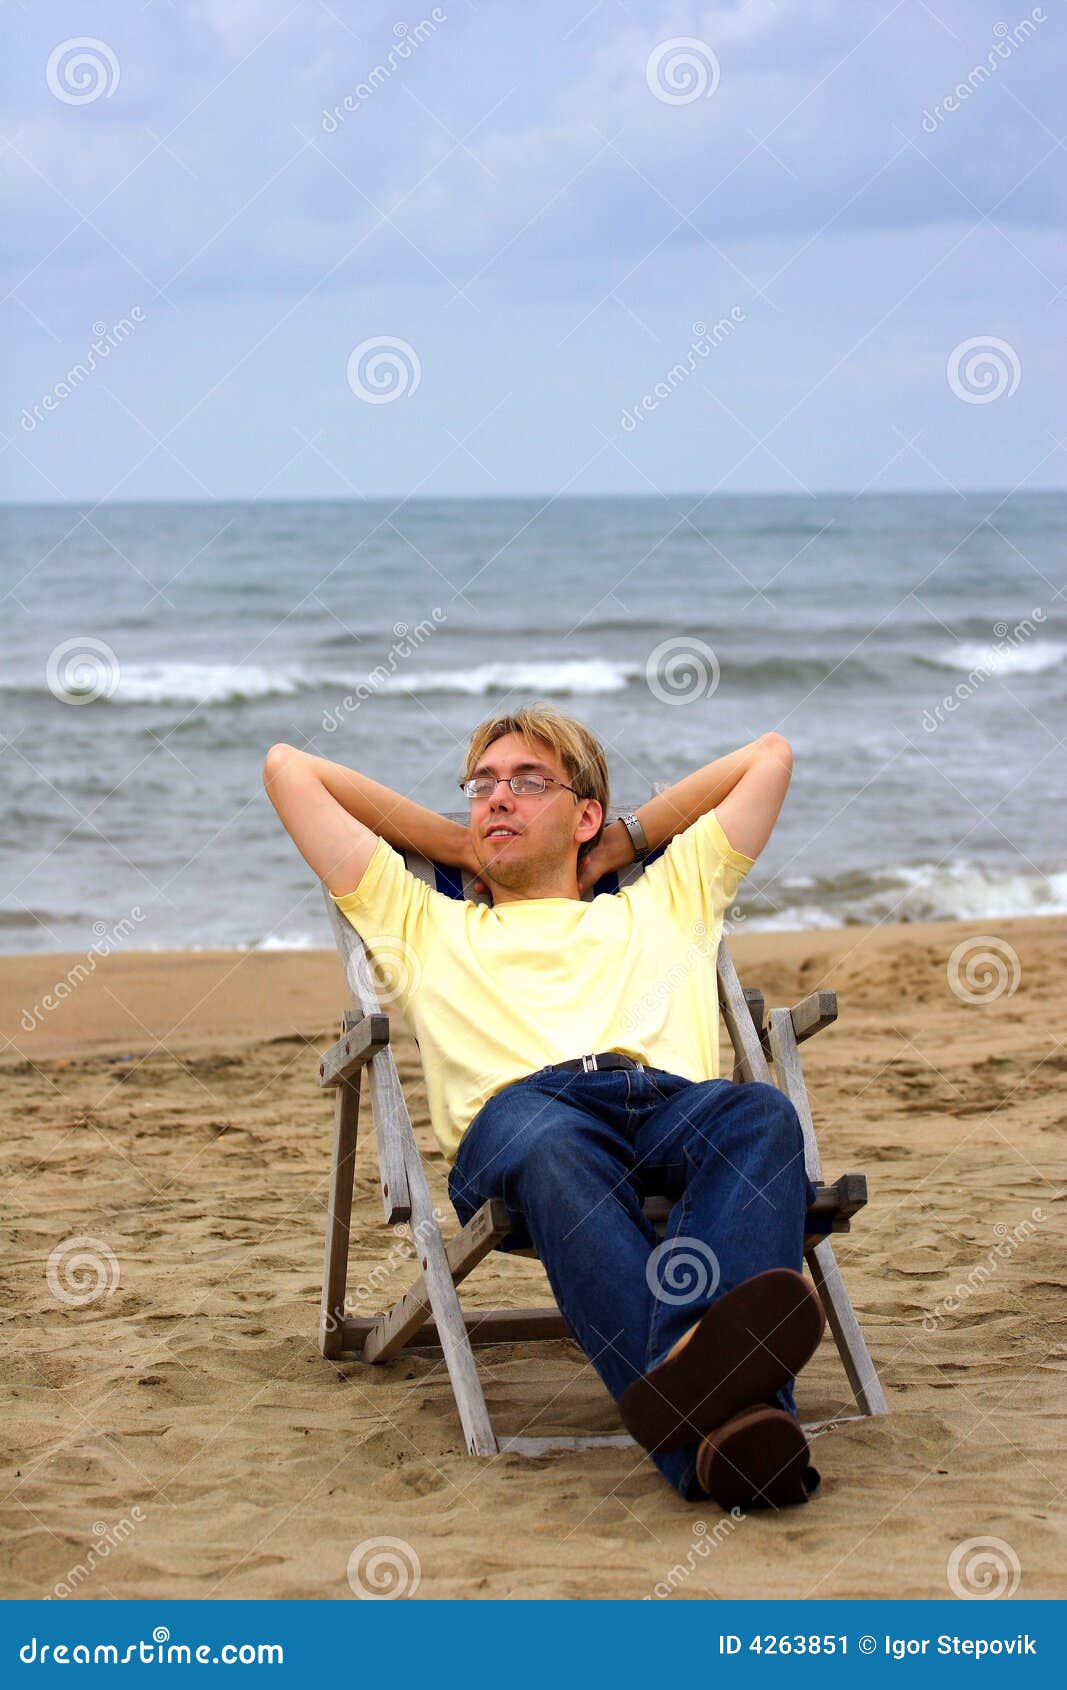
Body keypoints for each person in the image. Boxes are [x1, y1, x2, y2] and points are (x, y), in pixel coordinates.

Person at [264, 702, 824, 1508]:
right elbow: (288, 768)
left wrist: (625, 843)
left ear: (584, 815)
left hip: (667, 1106)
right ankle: (730, 1406)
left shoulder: (668, 897)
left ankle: (712, 1421)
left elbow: (768, 755)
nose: (497, 797)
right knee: (555, 1142)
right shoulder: (418, 921)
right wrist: (457, 843)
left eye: (529, 782)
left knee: (760, 1115)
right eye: (482, 786)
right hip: (524, 1122)